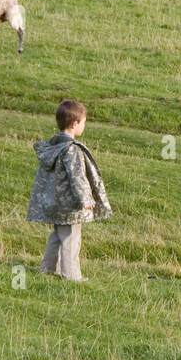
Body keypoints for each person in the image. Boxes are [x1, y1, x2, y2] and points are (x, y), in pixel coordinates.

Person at [26, 100, 112, 282]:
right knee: (71, 238)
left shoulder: (52, 148)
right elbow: (78, 178)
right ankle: (71, 275)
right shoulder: (71, 150)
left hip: (53, 202)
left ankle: (48, 269)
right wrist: (87, 201)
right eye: (83, 123)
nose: (84, 126)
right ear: (75, 124)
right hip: (69, 206)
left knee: (57, 235)